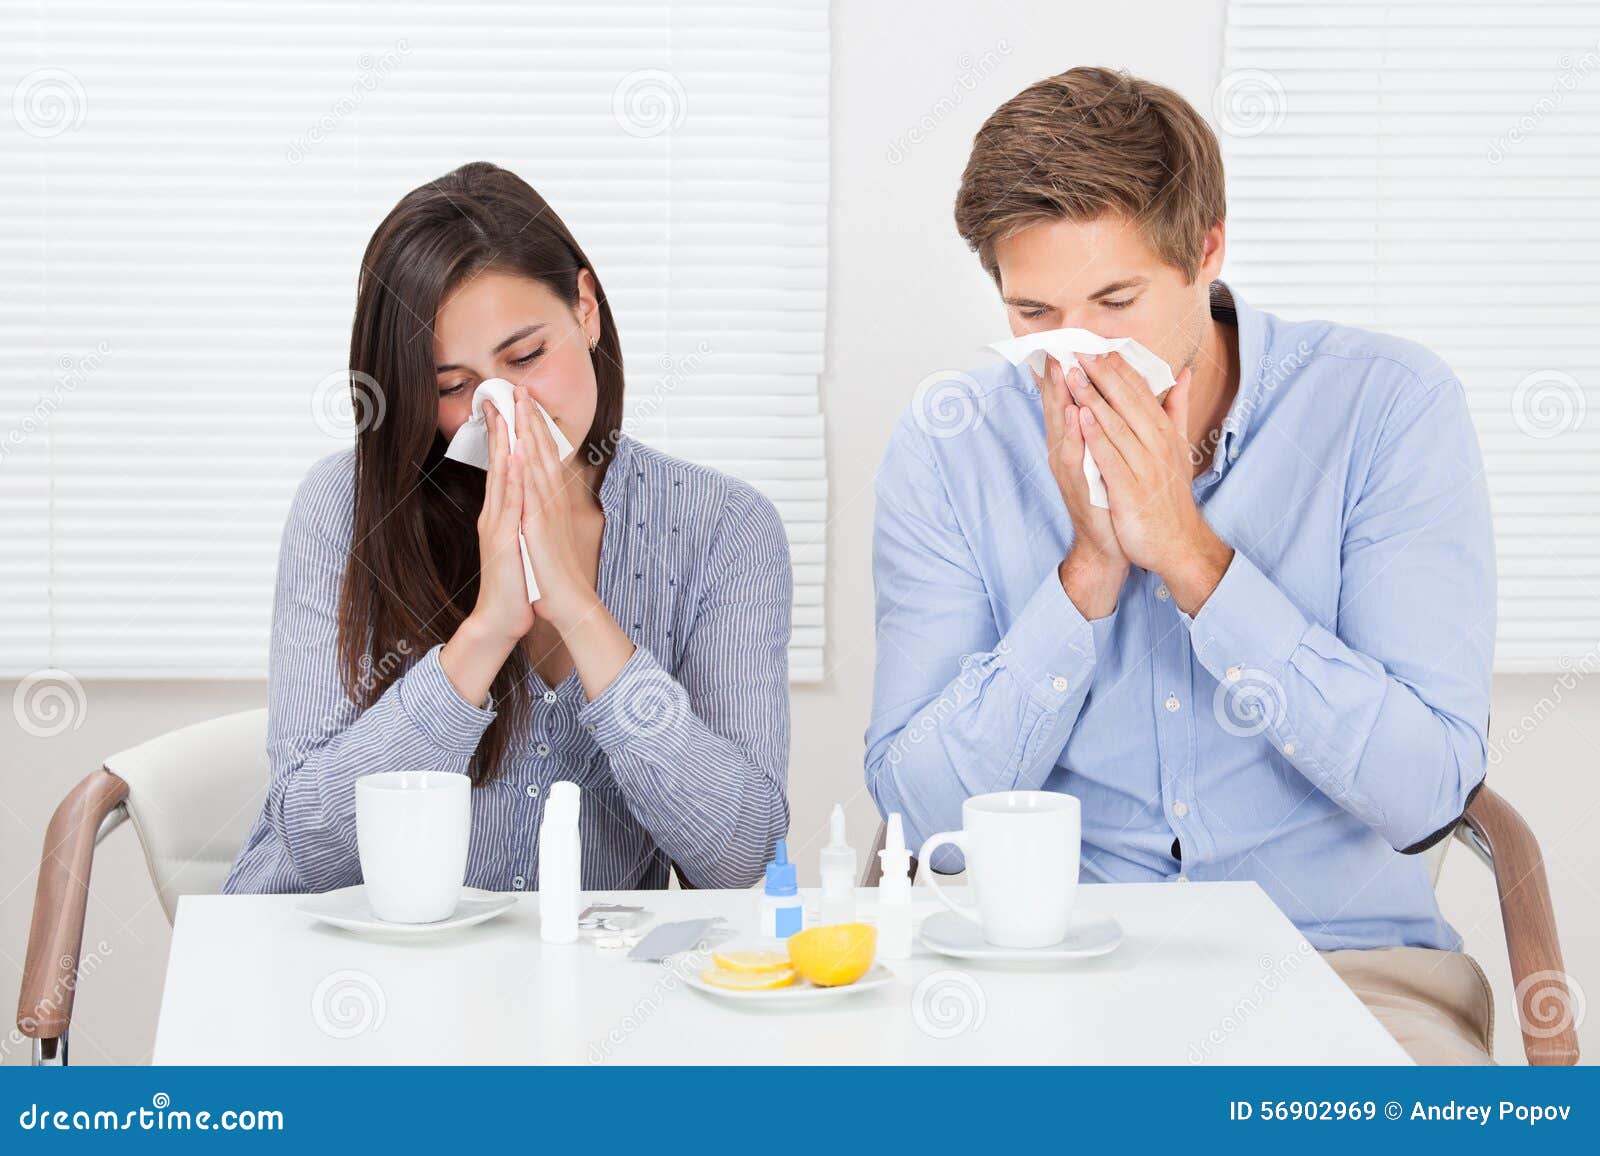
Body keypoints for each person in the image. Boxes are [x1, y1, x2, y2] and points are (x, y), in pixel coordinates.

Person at [866, 68, 1497, 1063]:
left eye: (1115, 297)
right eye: (1035, 314)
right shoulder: (949, 445)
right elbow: (921, 814)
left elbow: (1424, 793)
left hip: (1341, 966)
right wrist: (1086, 574)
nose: (1079, 351)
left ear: (1206, 250)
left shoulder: (1386, 408)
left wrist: (1193, 558)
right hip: (1040, 971)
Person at [226, 162, 792, 895]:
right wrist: (486, 633)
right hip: (347, 975)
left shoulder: (722, 528)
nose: (500, 408)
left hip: (579, 988)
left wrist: (584, 616)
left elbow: (744, 859)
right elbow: (310, 846)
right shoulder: (343, 508)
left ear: (585, 310)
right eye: (452, 387)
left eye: (526, 356)